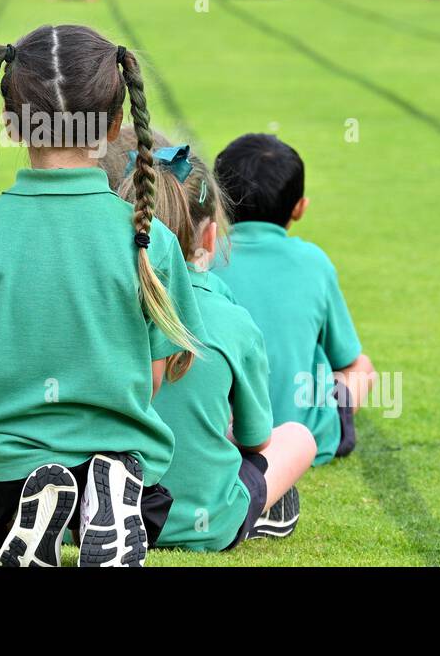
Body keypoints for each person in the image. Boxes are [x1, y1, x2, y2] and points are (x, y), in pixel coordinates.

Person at [0, 25, 208, 567]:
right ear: (117, 122)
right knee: (116, 469)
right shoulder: (149, 239)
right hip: (127, 469)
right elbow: (149, 381)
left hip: (5, 478)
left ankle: (36, 515)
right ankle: (101, 499)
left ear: (9, 122)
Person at [118, 144, 316, 551]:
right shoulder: (233, 320)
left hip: (103, 515)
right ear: (209, 235)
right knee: (297, 437)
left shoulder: (97, 301)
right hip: (204, 521)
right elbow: (257, 441)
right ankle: (259, 511)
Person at [212, 134, 376, 466]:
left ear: (219, 199)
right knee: (363, 368)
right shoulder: (314, 262)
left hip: (219, 432)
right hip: (302, 435)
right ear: (300, 208)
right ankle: (323, 427)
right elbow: (346, 358)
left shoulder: (200, 256)